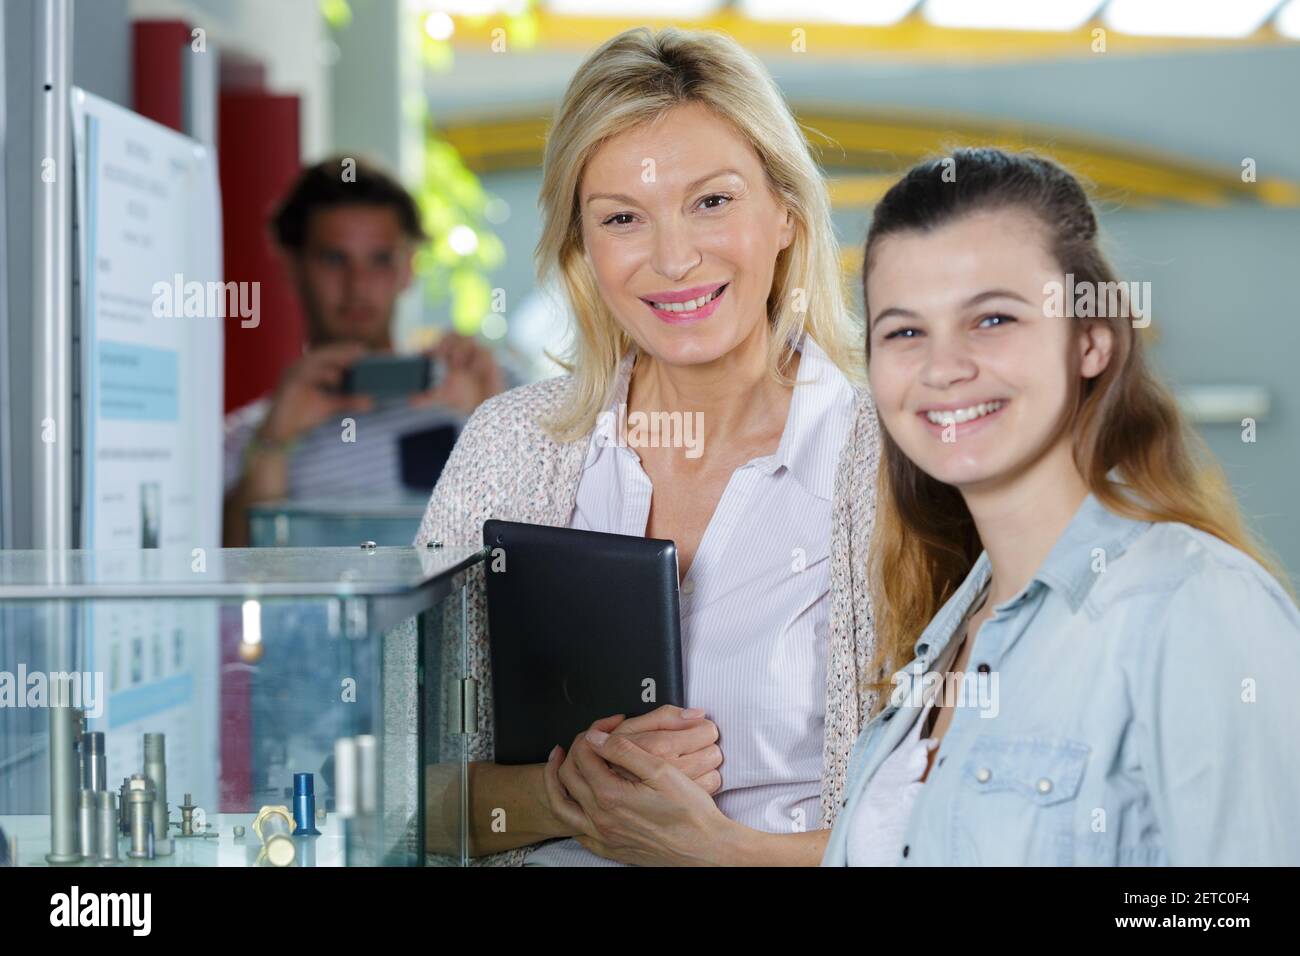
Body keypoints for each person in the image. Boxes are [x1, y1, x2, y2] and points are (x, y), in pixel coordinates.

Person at [416, 26, 882, 866]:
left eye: (712, 201)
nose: (674, 258)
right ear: (582, 252)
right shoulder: (510, 444)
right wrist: (569, 793)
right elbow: (404, 794)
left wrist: (715, 848)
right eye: (623, 218)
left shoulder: (894, 464)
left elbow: (962, 824)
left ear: (784, 210)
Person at [821, 147, 1300, 866]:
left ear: (1091, 343)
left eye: (992, 320)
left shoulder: (1192, 605)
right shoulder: (945, 632)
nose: (944, 367)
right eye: (905, 331)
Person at [222, 157, 506, 546]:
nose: (357, 286)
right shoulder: (248, 437)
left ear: (407, 268)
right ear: (292, 266)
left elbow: (543, 550)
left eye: (380, 260)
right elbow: (236, 583)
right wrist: (273, 445)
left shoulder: (478, 390)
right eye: (334, 259)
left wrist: (493, 420)